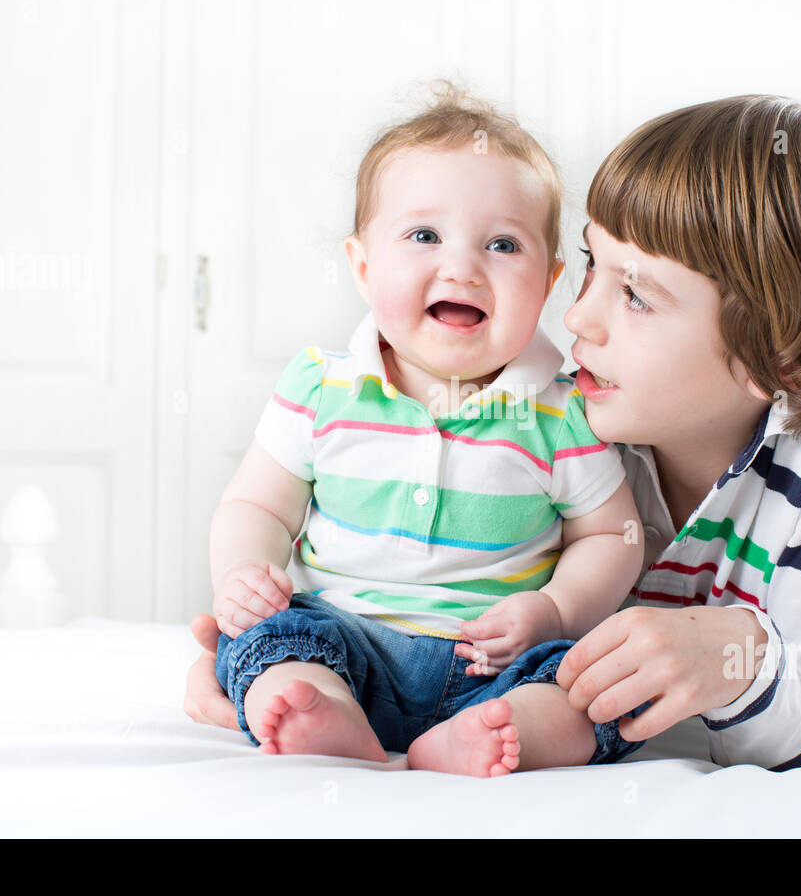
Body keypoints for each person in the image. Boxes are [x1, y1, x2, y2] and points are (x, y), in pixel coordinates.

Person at [187, 93, 801, 770]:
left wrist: (741, 661)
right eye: (591, 264)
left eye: (637, 295)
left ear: (782, 353)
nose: (576, 317)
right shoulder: (570, 408)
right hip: (656, 611)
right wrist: (262, 658)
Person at [206, 81, 645, 778]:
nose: (462, 267)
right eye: (423, 236)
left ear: (548, 280)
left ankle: (488, 736)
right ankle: (323, 710)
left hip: (494, 663)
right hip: (345, 642)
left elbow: (612, 537)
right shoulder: (323, 387)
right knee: (269, 639)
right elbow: (256, 505)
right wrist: (244, 573)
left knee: (599, 690)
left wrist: (553, 610)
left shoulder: (560, 413)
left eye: (502, 244)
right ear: (362, 266)